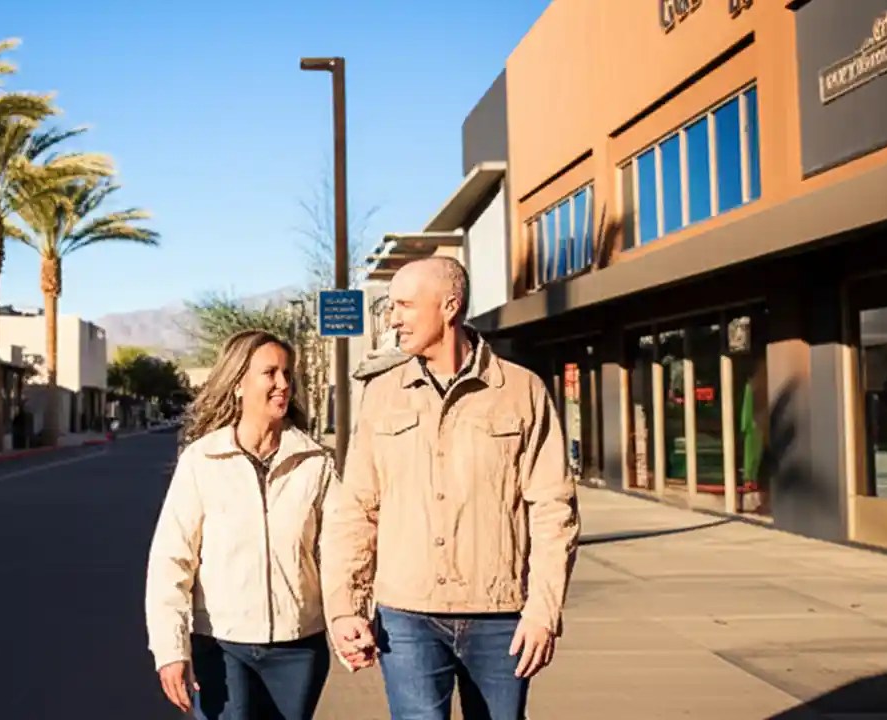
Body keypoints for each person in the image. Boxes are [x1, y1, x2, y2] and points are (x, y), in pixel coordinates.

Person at [321, 257, 580, 719]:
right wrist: (345, 608)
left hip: (501, 617)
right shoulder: (382, 395)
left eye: (404, 305)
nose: (392, 319)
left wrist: (544, 610)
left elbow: (553, 509)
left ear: (449, 306)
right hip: (406, 616)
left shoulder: (522, 391)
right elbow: (356, 509)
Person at [145, 329, 336, 720]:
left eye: (287, 373)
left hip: (298, 647)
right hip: (220, 645)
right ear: (238, 384)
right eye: (270, 373)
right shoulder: (203, 460)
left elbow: (339, 551)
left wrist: (350, 616)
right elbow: (171, 561)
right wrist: (171, 650)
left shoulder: (316, 462)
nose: (283, 384)